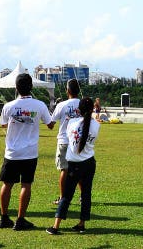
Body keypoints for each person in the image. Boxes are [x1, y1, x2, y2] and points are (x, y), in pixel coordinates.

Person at [0, 73, 54, 231]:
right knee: (26, 185)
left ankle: (4, 218)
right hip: (29, 153)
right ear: (31, 87)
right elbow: (50, 124)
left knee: (7, 184)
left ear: (16, 88)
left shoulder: (8, 106)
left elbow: (2, 124)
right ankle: (20, 220)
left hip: (12, 153)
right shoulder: (40, 105)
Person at [46, 97, 99, 235]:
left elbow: (70, 139)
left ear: (79, 110)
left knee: (66, 196)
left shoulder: (72, 122)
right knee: (86, 194)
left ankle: (56, 226)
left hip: (74, 164)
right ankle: (82, 224)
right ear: (92, 109)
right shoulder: (96, 125)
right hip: (89, 162)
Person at [50, 79, 81, 205]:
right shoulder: (83, 103)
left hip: (64, 140)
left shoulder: (61, 105)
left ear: (67, 91)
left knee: (64, 170)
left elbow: (51, 124)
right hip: (78, 140)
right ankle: (83, 197)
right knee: (79, 170)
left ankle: (63, 198)